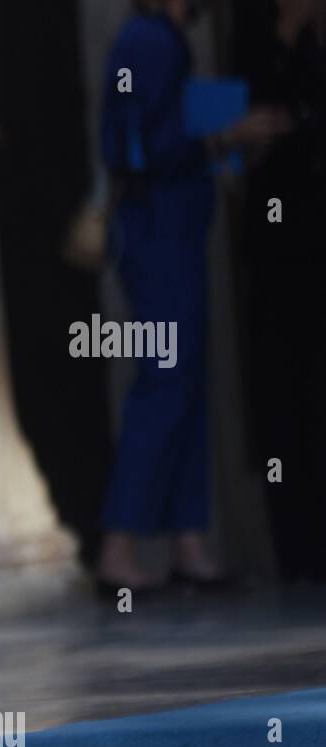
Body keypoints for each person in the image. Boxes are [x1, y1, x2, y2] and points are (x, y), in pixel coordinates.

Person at [95, 0, 289, 594]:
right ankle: (119, 547)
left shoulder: (166, 42)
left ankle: (186, 540)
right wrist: (228, 132)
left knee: (187, 383)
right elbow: (137, 144)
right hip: (156, 238)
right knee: (166, 380)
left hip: (175, 234)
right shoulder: (148, 42)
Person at [237, 0, 326, 583]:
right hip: (278, 249)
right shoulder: (255, 51)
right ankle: (297, 549)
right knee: (285, 393)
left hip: (314, 238)